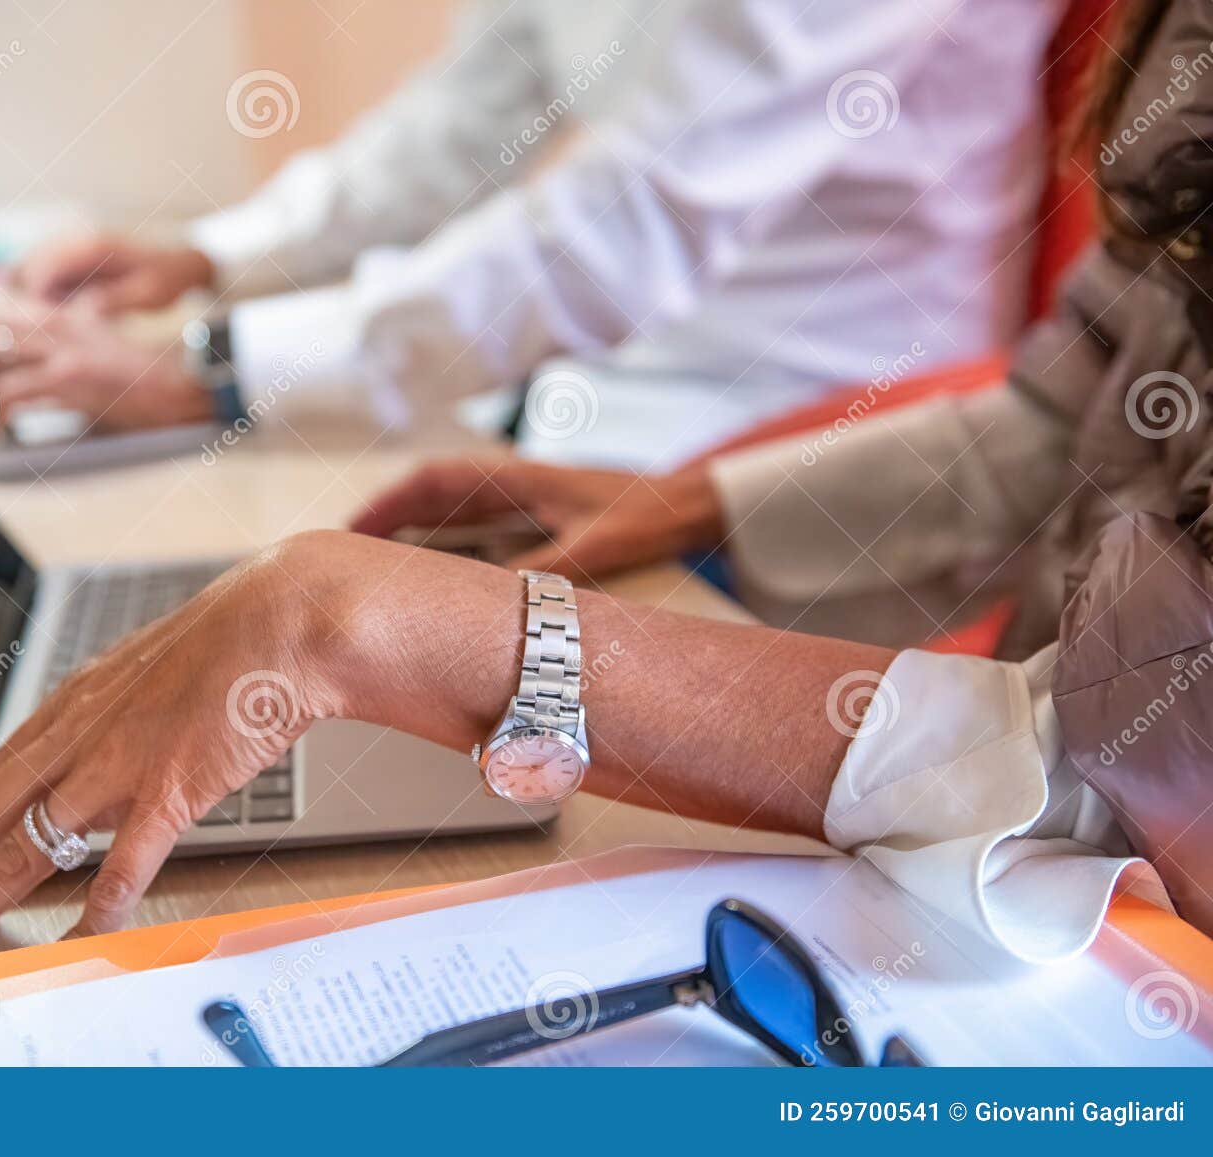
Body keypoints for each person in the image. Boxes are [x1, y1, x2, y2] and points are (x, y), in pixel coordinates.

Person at [352, 0, 1213, 937]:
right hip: (1010, 852)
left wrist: (525, 660)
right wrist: (694, 507)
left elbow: (1143, 761)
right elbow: (1064, 424)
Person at [0, 0, 1065, 469]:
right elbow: (475, 108)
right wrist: (215, 257)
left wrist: (210, 373)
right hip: (588, 398)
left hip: (795, 451)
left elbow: (631, 222)